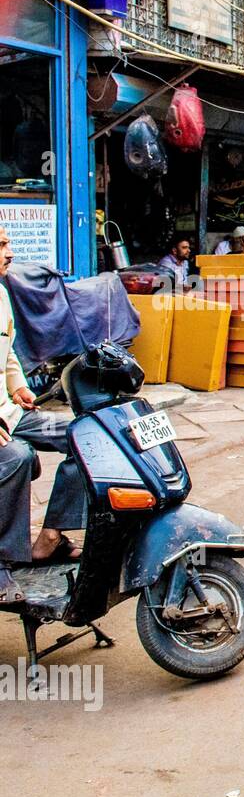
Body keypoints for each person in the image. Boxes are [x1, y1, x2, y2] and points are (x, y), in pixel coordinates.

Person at [0, 225, 87, 602]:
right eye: (2, 244)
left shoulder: (2, 294)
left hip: (9, 412)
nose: (10, 251)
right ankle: (2, 562)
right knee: (17, 457)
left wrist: (18, 385)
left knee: (84, 435)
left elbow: (8, 351)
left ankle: (51, 535)